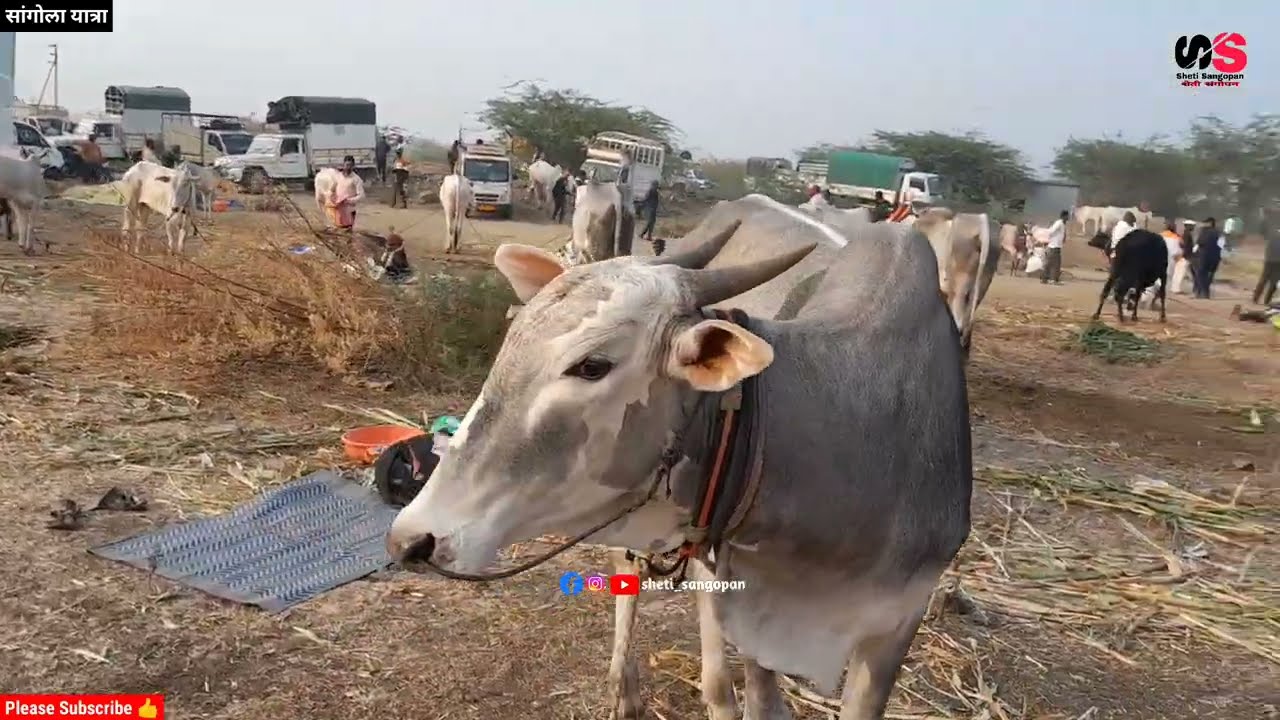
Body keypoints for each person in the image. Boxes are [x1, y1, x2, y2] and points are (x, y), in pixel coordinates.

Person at [326, 155, 366, 232]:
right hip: (338, 209)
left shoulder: (356, 179)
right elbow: (331, 190)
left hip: (349, 210)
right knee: (338, 231)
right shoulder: (337, 176)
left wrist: (348, 201)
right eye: (347, 165)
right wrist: (331, 198)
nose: (348, 167)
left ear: (353, 166)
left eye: (350, 165)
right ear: (343, 165)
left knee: (347, 232)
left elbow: (362, 196)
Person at [1253, 215, 1280, 306]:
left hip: (1270, 259)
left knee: (1264, 279)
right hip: (1276, 261)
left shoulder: (1272, 233)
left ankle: (1256, 298)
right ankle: (1267, 301)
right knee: (1274, 281)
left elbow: (1263, 233)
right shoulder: (1273, 233)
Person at [1194, 217, 1223, 299]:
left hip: (1204, 255)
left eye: (1205, 222)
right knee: (1210, 274)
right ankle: (1203, 292)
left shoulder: (1203, 231)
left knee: (1201, 274)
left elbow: (1199, 243)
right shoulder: (1219, 233)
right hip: (1216, 256)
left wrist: (1195, 253)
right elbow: (1222, 245)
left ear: (1209, 223)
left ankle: (1204, 292)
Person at [1040, 210, 1068, 284]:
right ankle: (1052, 279)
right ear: (1064, 216)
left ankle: (1047, 279)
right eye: (1067, 216)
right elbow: (1051, 231)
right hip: (1054, 246)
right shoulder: (1059, 223)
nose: (1068, 218)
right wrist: (1050, 236)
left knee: (1052, 263)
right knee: (1054, 263)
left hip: (1057, 246)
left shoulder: (1062, 224)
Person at [1180, 220, 1200, 296]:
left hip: (1188, 256)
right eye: (1192, 226)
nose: (1193, 228)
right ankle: (1195, 290)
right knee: (1193, 274)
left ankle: (1195, 290)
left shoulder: (1186, 234)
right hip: (1188, 256)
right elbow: (1185, 246)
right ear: (1188, 226)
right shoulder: (1187, 234)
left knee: (1192, 274)